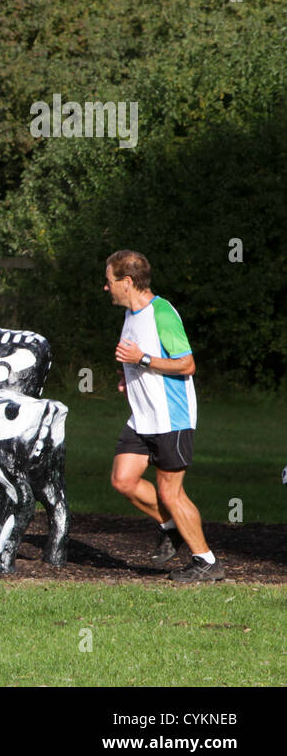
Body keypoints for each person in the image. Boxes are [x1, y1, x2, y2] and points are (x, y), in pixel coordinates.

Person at [104, 249, 223, 581]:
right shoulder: (130, 314)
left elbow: (187, 364)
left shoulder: (162, 314)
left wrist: (141, 361)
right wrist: (127, 380)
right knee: (123, 479)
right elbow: (138, 358)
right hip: (141, 417)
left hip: (172, 417)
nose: (106, 287)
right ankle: (170, 526)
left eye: (109, 281)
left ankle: (207, 562)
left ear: (126, 282)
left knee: (171, 492)